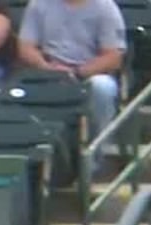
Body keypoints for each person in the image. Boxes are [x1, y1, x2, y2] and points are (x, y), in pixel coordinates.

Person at [16, 0, 126, 168]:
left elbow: (113, 57)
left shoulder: (105, 7)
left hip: (88, 74)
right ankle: (31, 162)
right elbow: (25, 47)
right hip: (47, 72)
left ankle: (92, 160)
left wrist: (77, 72)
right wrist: (46, 67)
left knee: (102, 87)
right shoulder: (39, 4)